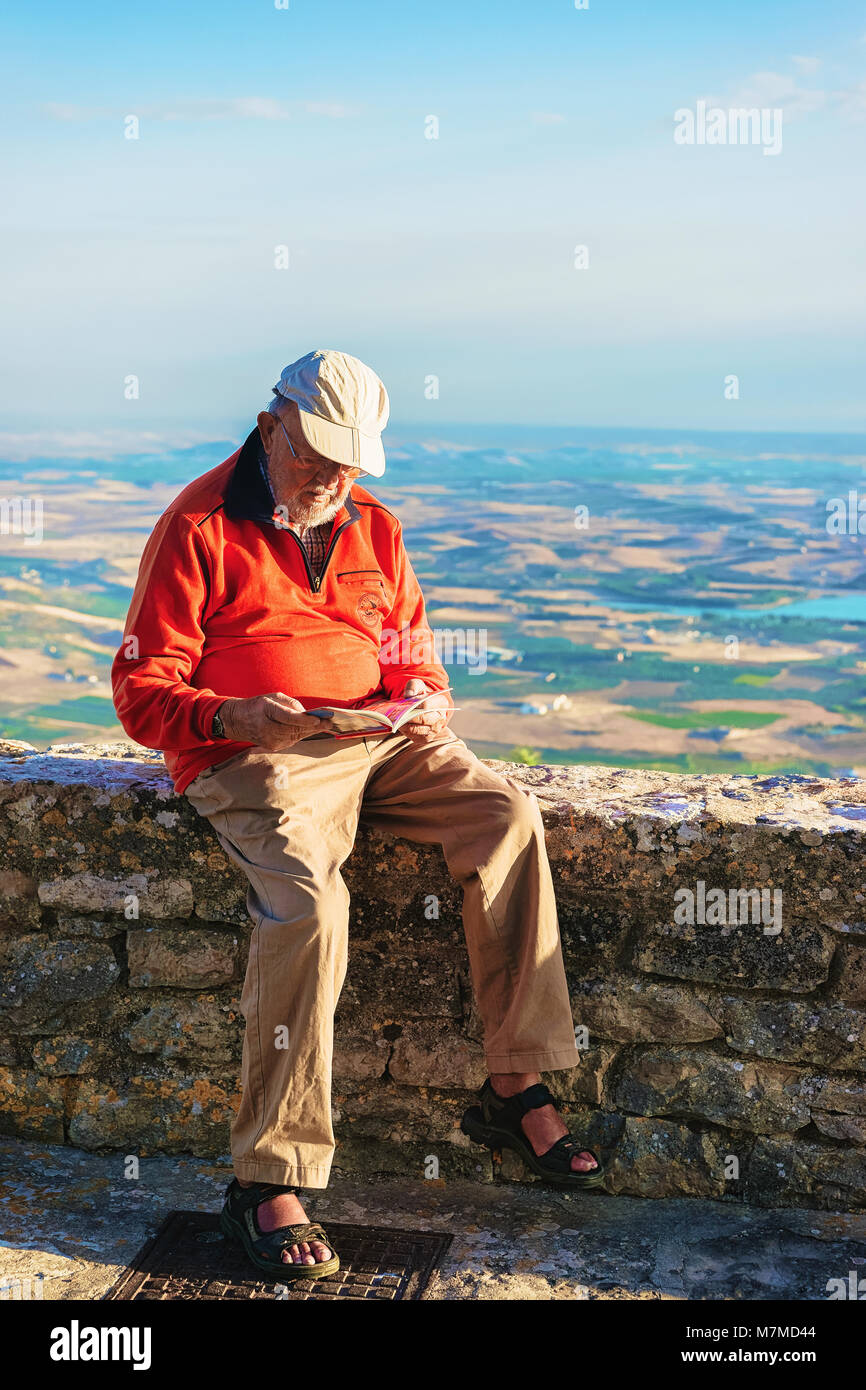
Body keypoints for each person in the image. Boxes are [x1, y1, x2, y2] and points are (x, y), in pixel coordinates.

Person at [111, 348, 603, 1282]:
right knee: (306, 905)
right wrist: (231, 714)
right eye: (317, 458)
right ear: (270, 429)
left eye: (350, 463)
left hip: (378, 744)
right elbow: (142, 692)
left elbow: (412, 649)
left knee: (505, 817)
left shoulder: (373, 521)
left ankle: (515, 1078)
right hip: (259, 754)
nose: (334, 479)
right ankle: (268, 1179)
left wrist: (421, 694)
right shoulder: (199, 525)